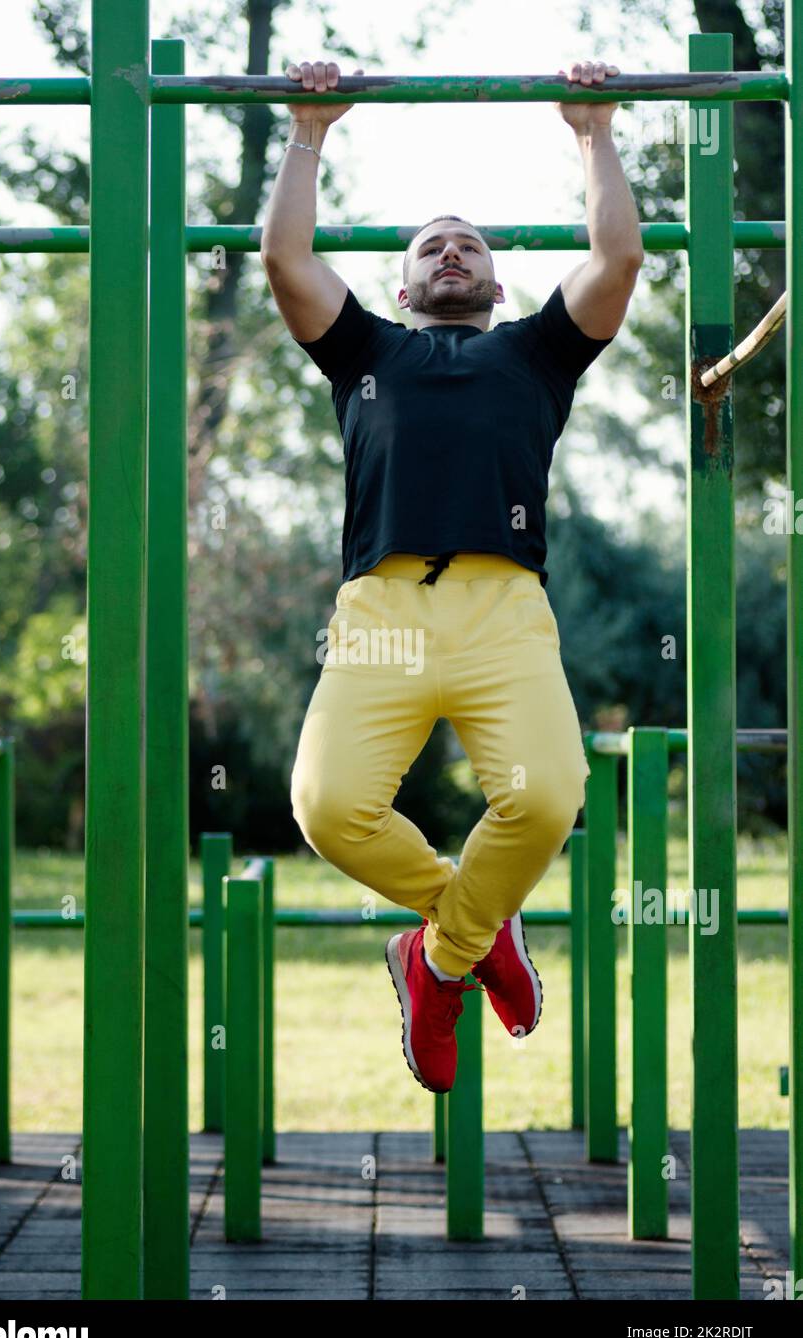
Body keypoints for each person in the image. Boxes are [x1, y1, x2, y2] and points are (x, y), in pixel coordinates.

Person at [260, 58, 642, 1094]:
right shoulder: (363, 352)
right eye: (429, 245)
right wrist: (307, 130)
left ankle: (435, 960)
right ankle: (473, 928)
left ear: (495, 280)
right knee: (327, 806)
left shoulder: (530, 354)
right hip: (379, 609)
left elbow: (616, 256)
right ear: (401, 283)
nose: (450, 250)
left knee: (549, 793)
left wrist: (590, 131)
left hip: (500, 608)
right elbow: (285, 257)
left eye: (468, 243)